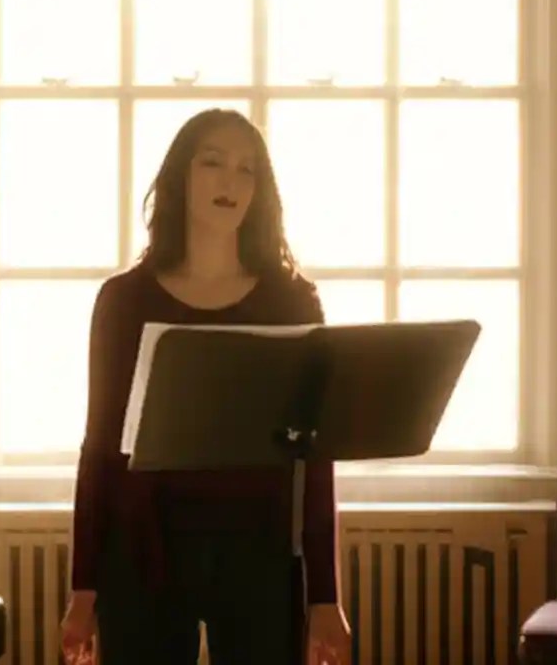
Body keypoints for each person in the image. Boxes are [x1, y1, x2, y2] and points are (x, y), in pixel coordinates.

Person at [59, 108, 353, 664]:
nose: (229, 181)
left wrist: (325, 596)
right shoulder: (123, 301)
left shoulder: (292, 302)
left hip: (260, 556)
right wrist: (84, 589)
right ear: (180, 177)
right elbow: (99, 444)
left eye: (247, 169)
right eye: (213, 162)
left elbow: (315, 454)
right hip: (142, 551)